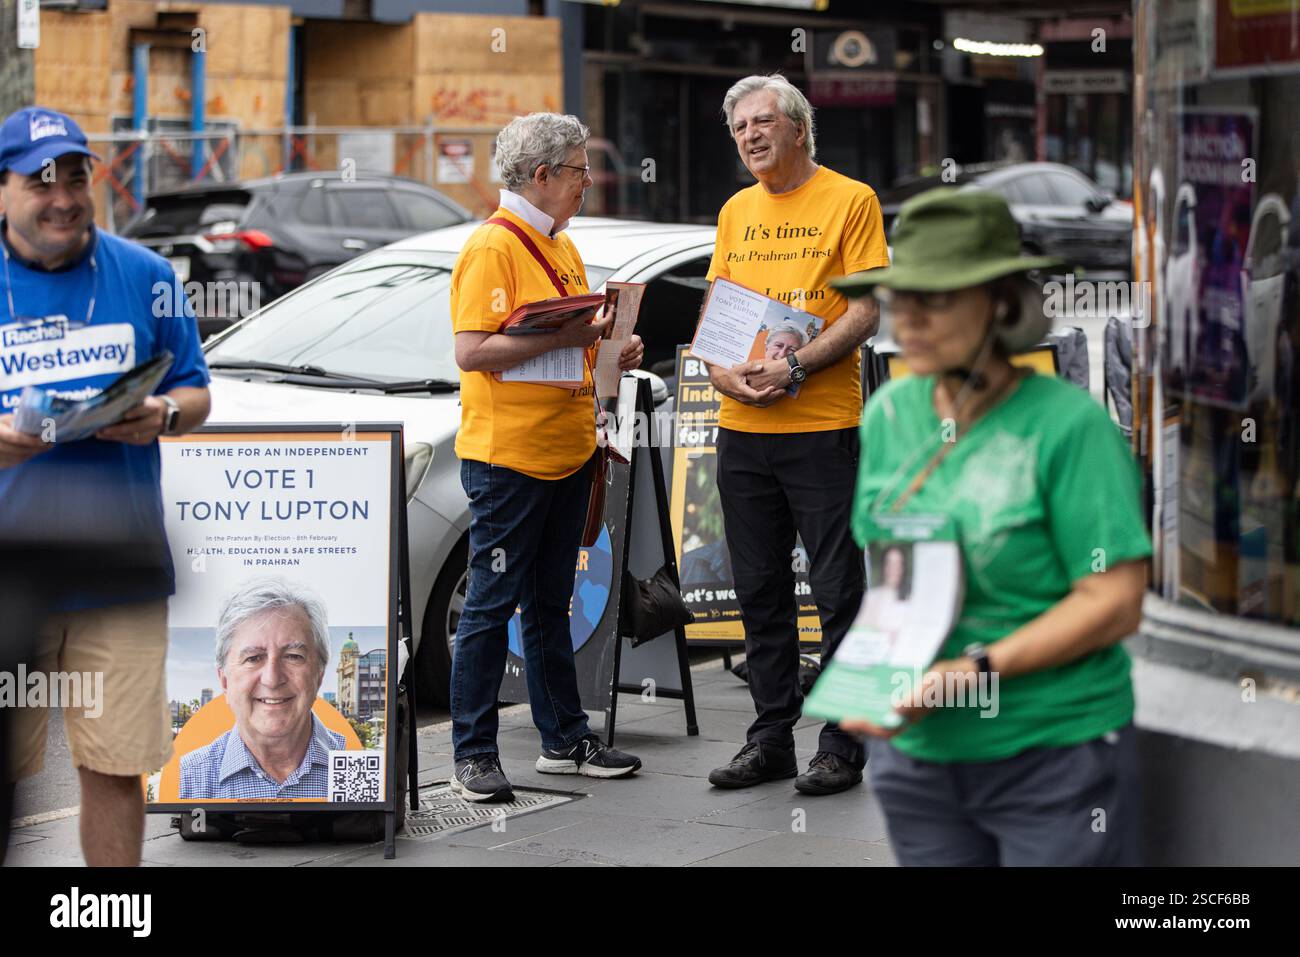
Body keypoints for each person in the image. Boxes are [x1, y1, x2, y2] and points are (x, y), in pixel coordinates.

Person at [833, 187, 1151, 866]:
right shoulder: (890, 413)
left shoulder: (1070, 426)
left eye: (937, 296)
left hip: (1052, 757)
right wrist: (870, 681)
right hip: (917, 763)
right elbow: (896, 582)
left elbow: (1114, 600)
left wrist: (968, 672)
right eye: (899, 295)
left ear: (1001, 302)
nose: (908, 317)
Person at [0, 107, 211, 864]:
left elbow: (196, 393)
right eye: (40, 180)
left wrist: (160, 413)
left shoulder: (147, 277)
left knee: (117, 766)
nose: (63, 196)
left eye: (77, 175)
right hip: (8, 570)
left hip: (118, 569)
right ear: (3, 190)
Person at [448, 112, 645, 802]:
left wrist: (608, 346)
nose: (588, 181)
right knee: (491, 603)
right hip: (509, 458)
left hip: (566, 450)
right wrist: (564, 337)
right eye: (580, 170)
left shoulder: (560, 245)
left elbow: (567, 343)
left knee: (550, 602)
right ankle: (473, 752)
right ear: (543, 176)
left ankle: (563, 738)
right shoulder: (493, 248)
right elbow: (472, 351)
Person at [704, 74, 891, 796]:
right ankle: (770, 737)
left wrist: (798, 367)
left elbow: (866, 310)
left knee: (839, 589)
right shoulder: (735, 211)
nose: (749, 135)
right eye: (738, 127)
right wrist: (722, 376)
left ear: (798, 128)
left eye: (761, 122)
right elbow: (718, 319)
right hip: (742, 428)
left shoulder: (852, 200)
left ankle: (842, 742)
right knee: (759, 589)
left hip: (821, 424)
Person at [180, 579, 346, 799]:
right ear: (225, 682)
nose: (272, 679)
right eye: (253, 658)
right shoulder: (188, 777)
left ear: (319, 675)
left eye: (293, 657)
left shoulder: (358, 766)